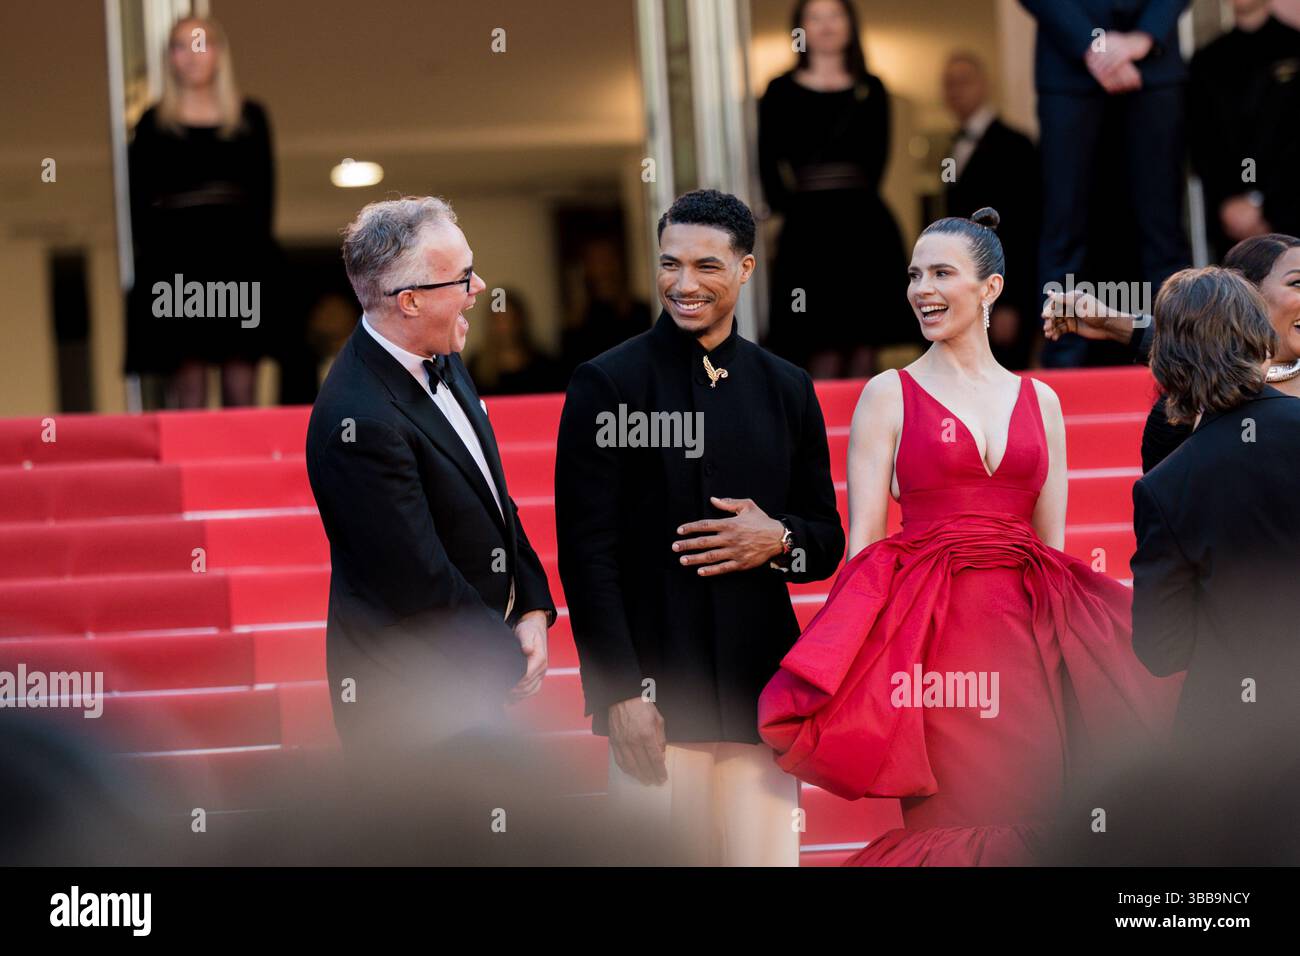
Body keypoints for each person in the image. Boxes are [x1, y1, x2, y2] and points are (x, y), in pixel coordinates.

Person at [759, 208, 1179, 866]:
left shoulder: (1041, 400)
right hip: (935, 645)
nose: (922, 289)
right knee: (955, 827)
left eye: (942, 273)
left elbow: (1050, 550)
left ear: (989, 288)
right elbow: (866, 551)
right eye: (914, 275)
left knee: (1039, 815)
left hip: (1029, 650)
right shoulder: (887, 394)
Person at [555, 190, 844, 866]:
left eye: (707, 266)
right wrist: (620, 693)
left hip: (761, 692)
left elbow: (826, 540)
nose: (683, 284)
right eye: (669, 264)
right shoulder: (607, 382)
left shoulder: (786, 387)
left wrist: (779, 539)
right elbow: (585, 553)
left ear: (746, 270)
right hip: (654, 694)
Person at [306, 197, 555, 756]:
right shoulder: (358, 419)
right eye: (463, 277)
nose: (480, 286)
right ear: (410, 301)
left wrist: (532, 604)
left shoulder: (441, 350)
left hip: (468, 676)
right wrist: (504, 653)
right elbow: (414, 577)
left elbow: (492, 496)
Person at [1130, 266, 1300, 773]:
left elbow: (1161, 650)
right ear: (1261, 342)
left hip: (1229, 744)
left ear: (1168, 362)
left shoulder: (1164, 487)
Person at [1020, 0, 1191, 367]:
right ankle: (1064, 363)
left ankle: (1182, 356)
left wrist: (1143, 37)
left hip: (1154, 64)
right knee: (1064, 225)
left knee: (1162, 227)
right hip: (1067, 65)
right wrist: (1093, 44)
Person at [1043, 233, 1300, 470]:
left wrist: (1116, 323)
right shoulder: (1184, 411)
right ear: (1246, 294)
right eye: (1297, 283)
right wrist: (1111, 322)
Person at [125, 15, 278, 407]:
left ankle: (245, 469)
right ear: (169, 58)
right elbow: (139, 205)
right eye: (180, 46)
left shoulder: (250, 119)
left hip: (239, 260)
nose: (192, 56)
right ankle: (190, 469)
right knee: (187, 385)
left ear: (219, 54)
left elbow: (264, 197)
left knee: (241, 385)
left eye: (201, 44)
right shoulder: (151, 125)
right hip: (176, 264)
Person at [758, 0, 912, 378]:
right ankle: (819, 435)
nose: (826, 26)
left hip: (865, 227)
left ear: (850, 25)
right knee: (817, 342)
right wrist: (787, 212)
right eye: (815, 17)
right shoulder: (779, 91)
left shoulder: (872, 88)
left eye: (835, 16)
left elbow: (879, 160)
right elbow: (766, 161)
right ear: (800, 28)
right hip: (807, 231)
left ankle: (869, 436)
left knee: (865, 346)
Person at [941, 51, 1041, 369]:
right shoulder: (953, 147)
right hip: (966, 297)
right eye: (949, 84)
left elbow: (1023, 228)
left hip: (1002, 298)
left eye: (964, 81)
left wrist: (1009, 302)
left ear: (984, 85)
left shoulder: (1015, 145)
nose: (956, 90)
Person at [1189, 0, 1300, 259]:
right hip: (1230, 222)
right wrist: (1229, 201)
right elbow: (1203, 141)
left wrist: (1264, 204)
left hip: (1291, 213)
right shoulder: (1208, 60)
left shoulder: (1294, 49)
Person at [467, 290, 566, 395]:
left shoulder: (543, 365)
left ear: (520, 321)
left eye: (509, 319)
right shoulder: (476, 366)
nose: (503, 328)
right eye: (497, 321)